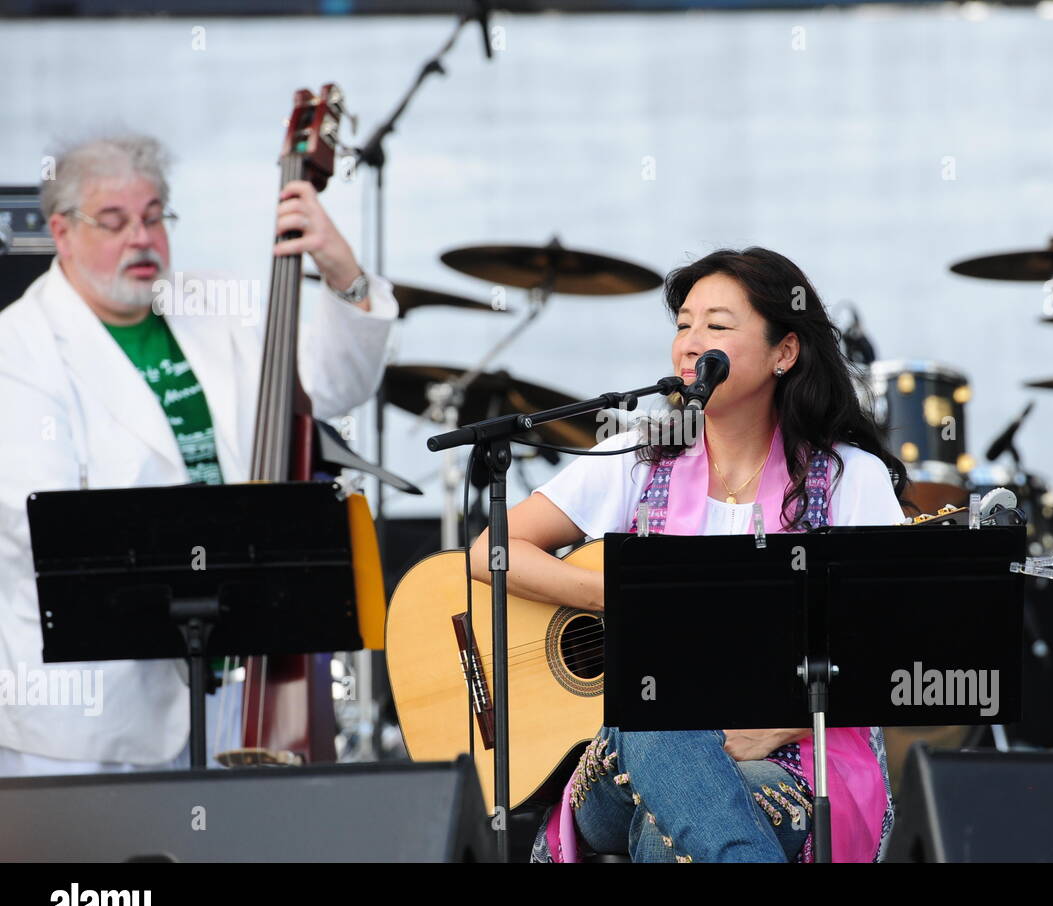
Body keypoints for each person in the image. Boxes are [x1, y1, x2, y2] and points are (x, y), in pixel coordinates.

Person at [469, 246, 909, 862]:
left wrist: (778, 727)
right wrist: (627, 598)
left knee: (666, 833)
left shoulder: (847, 478)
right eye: (683, 325)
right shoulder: (635, 455)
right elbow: (492, 550)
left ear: (785, 352)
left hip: (792, 761)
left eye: (718, 325)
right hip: (625, 756)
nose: (691, 341)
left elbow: (893, 642)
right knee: (657, 708)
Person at [0, 133, 397, 776]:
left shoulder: (211, 304)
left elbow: (338, 384)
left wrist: (341, 271)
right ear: (62, 231)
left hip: (231, 692)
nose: (142, 237)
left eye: (155, 217)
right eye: (116, 221)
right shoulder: (18, 347)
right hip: (88, 720)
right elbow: (37, 520)